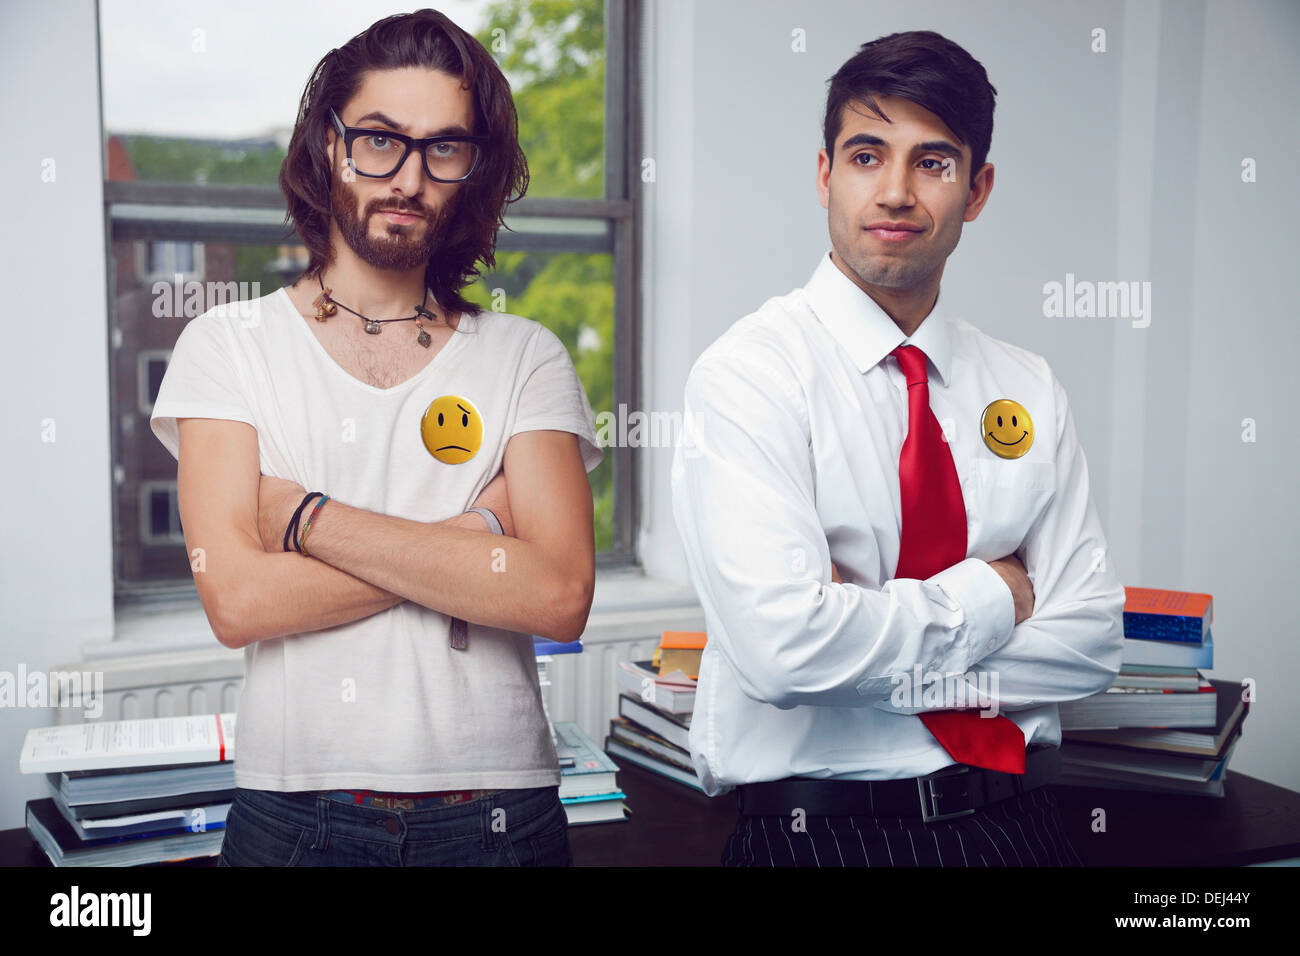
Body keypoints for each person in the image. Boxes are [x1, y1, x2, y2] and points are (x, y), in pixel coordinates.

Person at [149, 9, 602, 866]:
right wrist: (478, 538)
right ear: (331, 146)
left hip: (500, 814)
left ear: (474, 170)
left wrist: (310, 519)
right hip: (297, 815)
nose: (409, 177)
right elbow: (239, 603)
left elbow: (557, 596)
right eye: (381, 140)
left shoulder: (524, 355)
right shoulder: (226, 346)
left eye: (445, 148)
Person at [670, 29, 1125, 867]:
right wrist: (995, 596)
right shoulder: (749, 377)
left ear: (977, 188)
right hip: (817, 838)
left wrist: (864, 624)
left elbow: (1091, 639)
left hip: (1014, 827)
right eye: (867, 155)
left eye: (933, 162)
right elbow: (784, 653)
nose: (895, 192)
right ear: (824, 175)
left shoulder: (1026, 388)